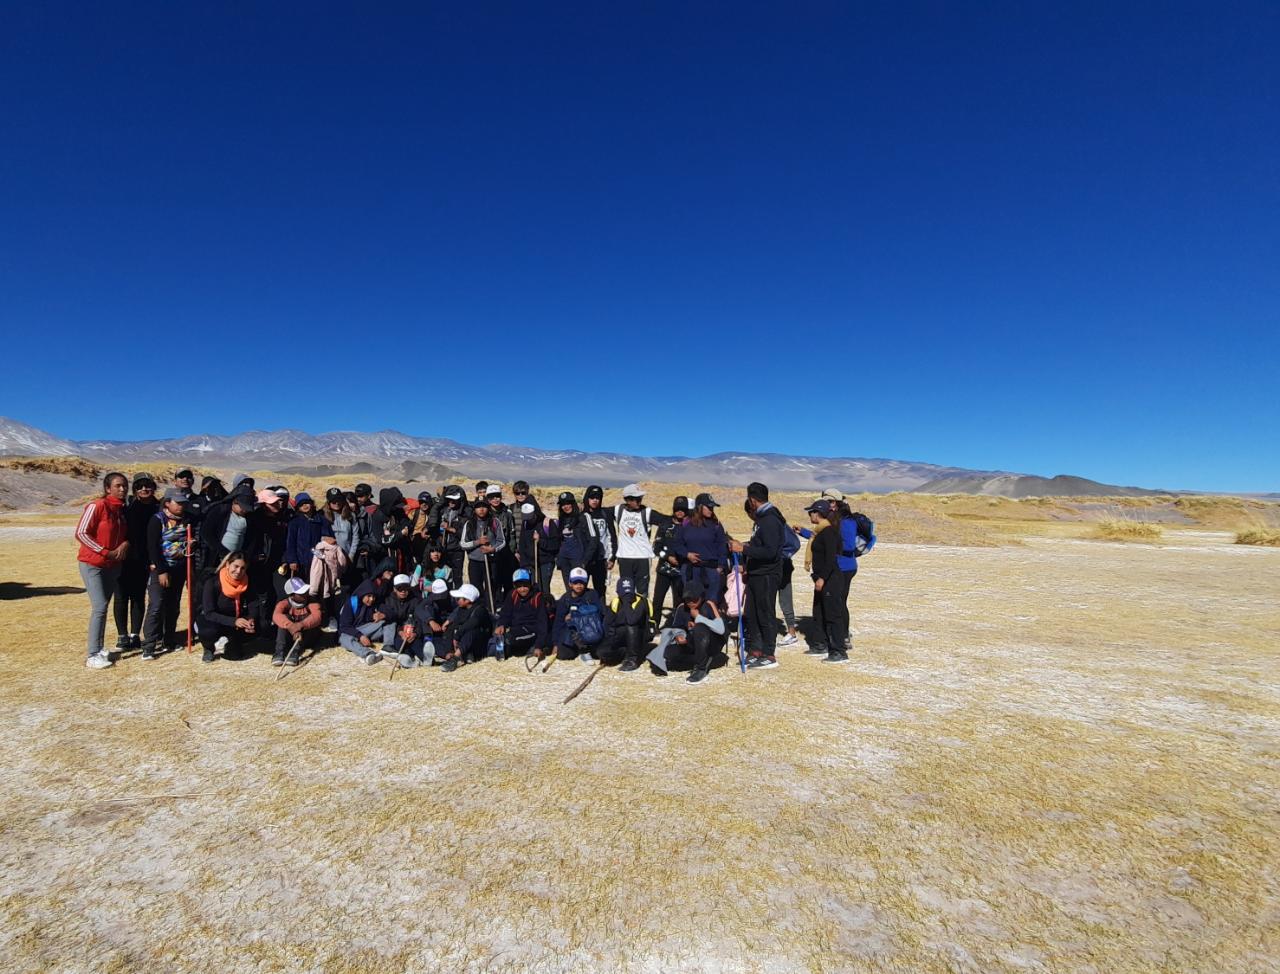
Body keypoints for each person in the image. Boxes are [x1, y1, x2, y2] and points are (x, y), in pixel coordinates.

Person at [729, 482, 785, 669]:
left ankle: (769, 654)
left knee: (765, 613)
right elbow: (760, 545)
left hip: (767, 575)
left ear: (752, 500)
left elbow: (770, 552)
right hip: (756, 573)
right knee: (752, 613)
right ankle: (756, 649)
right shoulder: (762, 519)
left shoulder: (770, 520)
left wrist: (744, 549)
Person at [76, 472, 129, 669]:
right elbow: (81, 533)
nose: (122, 489)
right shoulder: (97, 506)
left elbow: (123, 535)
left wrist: (124, 544)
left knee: (103, 606)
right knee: (99, 606)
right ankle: (92, 655)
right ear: (108, 488)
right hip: (93, 564)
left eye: (124, 485)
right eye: (117, 486)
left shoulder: (121, 510)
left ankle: (98, 648)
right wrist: (105, 551)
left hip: (112, 566)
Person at [140, 487, 191, 659]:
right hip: (160, 569)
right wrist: (161, 571)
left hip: (179, 569)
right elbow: (153, 547)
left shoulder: (186, 520)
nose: (181, 506)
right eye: (178, 503)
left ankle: (169, 639)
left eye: (183, 503)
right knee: (156, 605)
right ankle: (149, 644)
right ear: (167, 503)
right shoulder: (157, 520)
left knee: (173, 605)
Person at [113, 473, 158, 651]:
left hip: (145, 560)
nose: (144, 489)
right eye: (139, 486)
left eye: (148, 485)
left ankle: (135, 635)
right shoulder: (127, 507)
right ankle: (122, 635)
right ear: (135, 490)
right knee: (121, 597)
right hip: (124, 558)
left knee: (138, 597)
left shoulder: (159, 508)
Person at [650, 580, 728, 684]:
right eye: (687, 599)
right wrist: (679, 636)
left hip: (712, 644)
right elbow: (676, 628)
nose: (691, 602)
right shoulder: (682, 608)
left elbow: (721, 629)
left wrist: (699, 618)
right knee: (668, 652)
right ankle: (691, 660)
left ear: (701, 597)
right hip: (691, 642)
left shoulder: (709, 605)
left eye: (694, 599)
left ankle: (701, 669)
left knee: (700, 629)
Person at [802, 499, 848, 662]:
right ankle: (820, 644)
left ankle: (839, 651)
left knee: (832, 615)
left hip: (830, 579)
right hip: (821, 578)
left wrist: (822, 578)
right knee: (819, 612)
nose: (810, 515)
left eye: (811, 512)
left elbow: (830, 559)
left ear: (818, 513)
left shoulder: (828, 532)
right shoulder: (819, 532)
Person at [612, 484, 670, 602]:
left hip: (643, 557)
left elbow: (666, 520)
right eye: (635, 499)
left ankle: (642, 612)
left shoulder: (647, 512)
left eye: (640, 498)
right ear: (627, 500)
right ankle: (626, 611)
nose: (639, 501)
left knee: (642, 591)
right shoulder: (618, 510)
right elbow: (600, 513)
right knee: (626, 589)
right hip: (624, 557)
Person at [198, 550, 258, 662]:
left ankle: (234, 642)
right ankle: (208, 647)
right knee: (208, 631)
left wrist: (250, 619)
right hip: (215, 622)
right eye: (236, 566)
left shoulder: (247, 583)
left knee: (234, 656)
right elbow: (209, 613)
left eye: (243, 568)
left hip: (235, 621)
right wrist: (234, 621)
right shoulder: (212, 583)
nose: (238, 571)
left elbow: (253, 604)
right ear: (227, 564)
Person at [673, 493, 728, 603]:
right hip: (691, 571)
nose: (711, 510)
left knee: (710, 603)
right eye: (709, 507)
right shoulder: (686, 523)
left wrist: (721, 567)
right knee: (692, 602)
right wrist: (687, 554)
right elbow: (677, 544)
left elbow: (722, 545)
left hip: (711, 570)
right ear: (699, 507)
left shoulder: (715, 524)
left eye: (712, 507)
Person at [552, 566, 607, 663]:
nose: (579, 585)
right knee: (563, 654)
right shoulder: (565, 599)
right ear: (570, 583)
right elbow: (558, 622)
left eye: (582, 583)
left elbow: (601, 614)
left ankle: (588, 649)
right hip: (573, 635)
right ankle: (581, 650)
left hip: (591, 631)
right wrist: (556, 644)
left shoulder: (592, 595)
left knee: (600, 654)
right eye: (575, 582)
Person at [494, 569, 551, 659]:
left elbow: (542, 624)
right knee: (497, 637)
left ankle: (534, 647)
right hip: (516, 628)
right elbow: (505, 613)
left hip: (531, 630)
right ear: (514, 586)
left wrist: (539, 645)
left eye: (525, 585)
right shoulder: (512, 595)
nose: (522, 589)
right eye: (519, 586)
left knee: (510, 639)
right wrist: (502, 624)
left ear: (530, 583)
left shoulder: (537, 598)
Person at [651, 496, 689, 629]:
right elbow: (656, 548)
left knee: (679, 601)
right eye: (677, 509)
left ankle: (677, 626)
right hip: (663, 570)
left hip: (680, 572)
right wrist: (667, 557)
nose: (680, 512)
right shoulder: (665, 525)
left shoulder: (689, 526)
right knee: (658, 600)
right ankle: (654, 625)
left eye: (683, 509)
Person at [459, 496, 504, 606]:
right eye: (478, 507)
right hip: (475, 562)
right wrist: (478, 542)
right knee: (475, 588)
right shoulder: (469, 524)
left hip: (491, 561)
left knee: (491, 587)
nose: (481, 509)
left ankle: (490, 609)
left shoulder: (495, 522)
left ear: (488, 508)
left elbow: (502, 541)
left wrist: (492, 549)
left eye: (484, 506)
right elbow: (463, 544)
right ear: (474, 509)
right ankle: (478, 609)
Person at [553, 492, 601, 590]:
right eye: (563, 504)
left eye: (568, 503)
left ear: (573, 503)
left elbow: (594, 539)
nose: (566, 506)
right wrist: (558, 558)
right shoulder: (562, 519)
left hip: (579, 560)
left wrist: (585, 561)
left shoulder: (584, 517)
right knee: (569, 589)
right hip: (564, 560)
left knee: (579, 589)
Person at [439, 583, 491, 672]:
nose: (456, 600)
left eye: (459, 598)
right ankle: (456, 654)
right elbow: (455, 625)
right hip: (465, 643)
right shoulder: (461, 610)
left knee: (471, 632)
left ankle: (455, 659)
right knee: (451, 628)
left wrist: (457, 636)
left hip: (480, 643)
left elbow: (472, 624)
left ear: (467, 600)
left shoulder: (480, 610)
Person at [270, 577, 323, 666]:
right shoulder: (283, 604)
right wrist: (291, 626)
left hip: (307, 637)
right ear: (292, 595)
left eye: (305, 591)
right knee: (284, 619)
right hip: (289, 637)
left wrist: (300, 626)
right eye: (301, 593)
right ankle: (279, 651)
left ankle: (295, 651)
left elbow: (317, 617)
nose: (305, 593)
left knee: (308, 619)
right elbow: (276, 616)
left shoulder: (312, 602)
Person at [376, 573, 425, 667]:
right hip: (398, 631)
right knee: (399, 643)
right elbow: (392, 620)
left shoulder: (415, 600)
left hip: (413, 630)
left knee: (416, 643)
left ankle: (424, 658)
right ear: (394, 589)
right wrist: (400, 632)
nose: (403, 591)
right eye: (399, 588)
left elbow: (419, 619)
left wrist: (415, 633)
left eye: (406, 588)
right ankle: (408, 658)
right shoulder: (388, 600)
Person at [603, 577, 651, 670]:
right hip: (621, 635)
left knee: (631, 626)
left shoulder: (641, 602)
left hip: (639, 636)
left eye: (629, 592)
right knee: (602, 653)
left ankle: (633, 659)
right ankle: (623, 652)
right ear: (618, 592)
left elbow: (631, 620)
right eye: (624, 593)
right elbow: (608, 623)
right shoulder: (615, 602)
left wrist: (626, 602)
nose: (627, 595)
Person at [337, 578, 384, 665]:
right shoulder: (351, 603)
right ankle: (368, 654)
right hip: (351, 632)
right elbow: (344, 627)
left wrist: (380, 616)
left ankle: (388, 648)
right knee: (344, 639)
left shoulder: (373, 603)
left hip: (365, 630)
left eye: (373, 596)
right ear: (362, 594)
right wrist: (360, 636)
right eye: (369, 596)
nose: (371, 599)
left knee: (384, 624)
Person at [581, 485, 616, 597]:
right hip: (585, 559)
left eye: (598, 497)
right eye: (592, 497)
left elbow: (612, 537)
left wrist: (612, 558)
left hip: (601, 559)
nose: (595, 500)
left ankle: (601, 608)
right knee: (581, 590)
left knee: (600, 591)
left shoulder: (605, 514)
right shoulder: (582, 516)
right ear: (587, 498)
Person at [368, 487, 413, 574]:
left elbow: (407, 523)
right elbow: (382, 539)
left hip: (402, 553)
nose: (396, 508)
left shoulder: (397, 512)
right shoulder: (378, 517)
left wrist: (405, 529)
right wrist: (400, 534)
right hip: (385, 556)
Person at [285, 492, 328, 580]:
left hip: (317, 558)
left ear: (311, 503)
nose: (304, 506)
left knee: (316, 583)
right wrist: (292, 560)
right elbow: (291, 542)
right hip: (300, 560)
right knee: (302, 584)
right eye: (301, 504)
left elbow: (326, 536)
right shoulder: (294, 522)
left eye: (306, 503)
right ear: (298, 507)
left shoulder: (320, 519)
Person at [485, 484, 518, 599]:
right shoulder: (485, 513)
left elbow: (512, 534)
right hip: (490, 552)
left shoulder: (507, 513)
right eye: (492, 497)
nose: (495, 499)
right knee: (493, 579)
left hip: (505, 551)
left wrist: (512, 551)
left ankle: (507, 601)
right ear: (488, 499)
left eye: (497, 496)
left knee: (507, 579)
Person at [434, 486, 469, 584]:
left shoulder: (464, 514)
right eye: (449, 499)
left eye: (454, 500)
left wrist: (450, 529)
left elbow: (465, 534)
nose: (451, 502)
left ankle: (457, 593)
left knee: (457, 576)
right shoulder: (443, 511)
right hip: (443, 548)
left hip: (456, 549)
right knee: (444, 576)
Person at [412, 578, 454, 661]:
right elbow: (419, 608)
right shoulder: (431, 598)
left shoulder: (454, 598)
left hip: (449, 626)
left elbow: (458, 611)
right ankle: (427, 641)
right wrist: (430, 621)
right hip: (435, 627)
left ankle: (448, 654)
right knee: (427, 609)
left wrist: (448, 620)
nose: (440, 599)